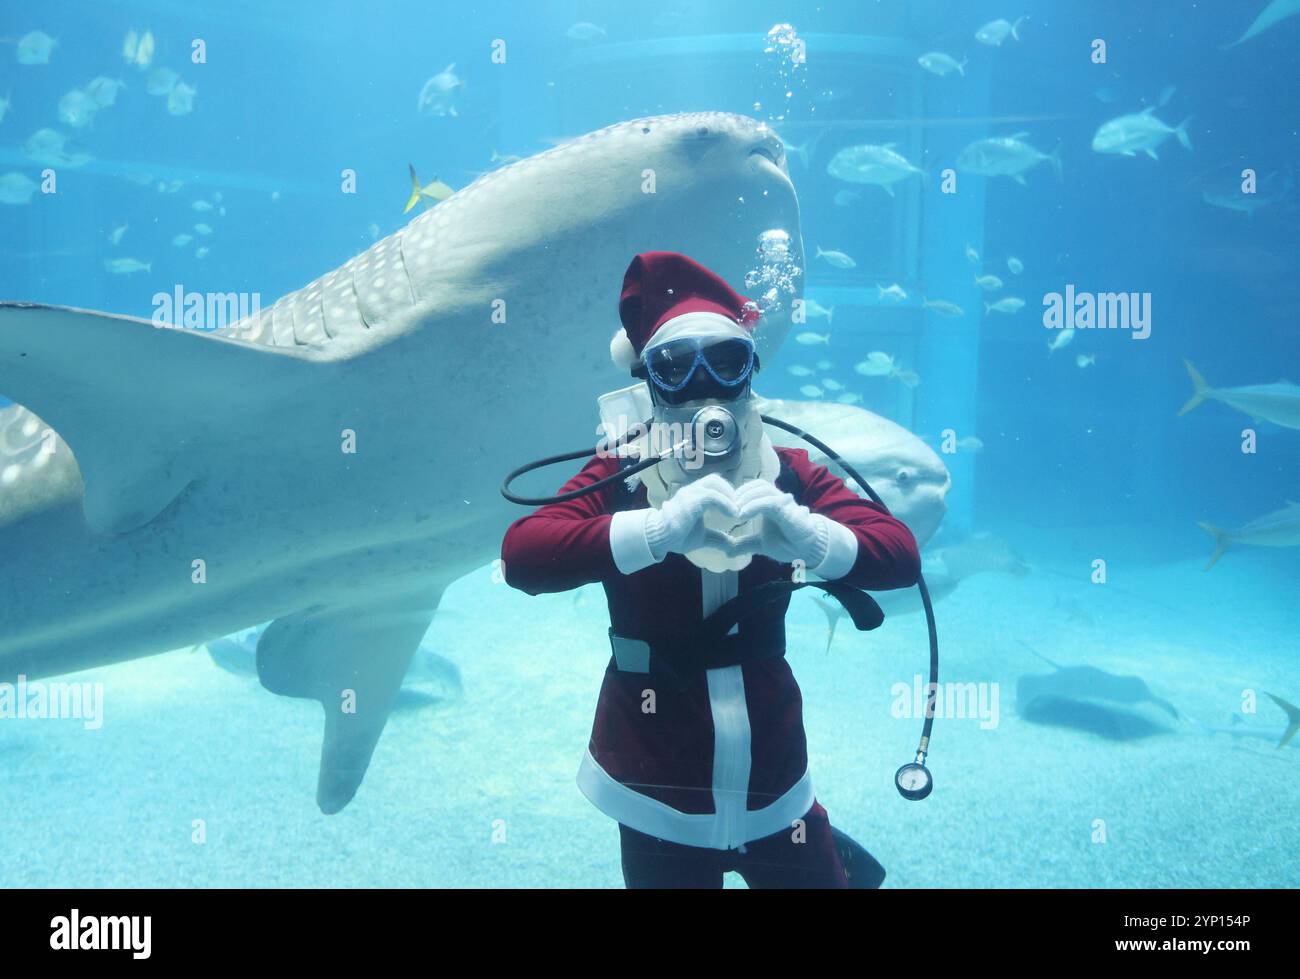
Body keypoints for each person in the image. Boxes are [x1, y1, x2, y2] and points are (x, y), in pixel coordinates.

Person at [501, 251, 920, 888]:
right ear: (649, 383)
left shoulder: (788, 473)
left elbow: (899, 555)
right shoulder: (624, 472)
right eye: (676, 368)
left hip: (772, 770)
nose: (705, 388)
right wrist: (655, 531)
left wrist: (809, 535)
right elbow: (523, 555)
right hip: (654, 779)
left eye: (726, 363)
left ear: (750, 374)